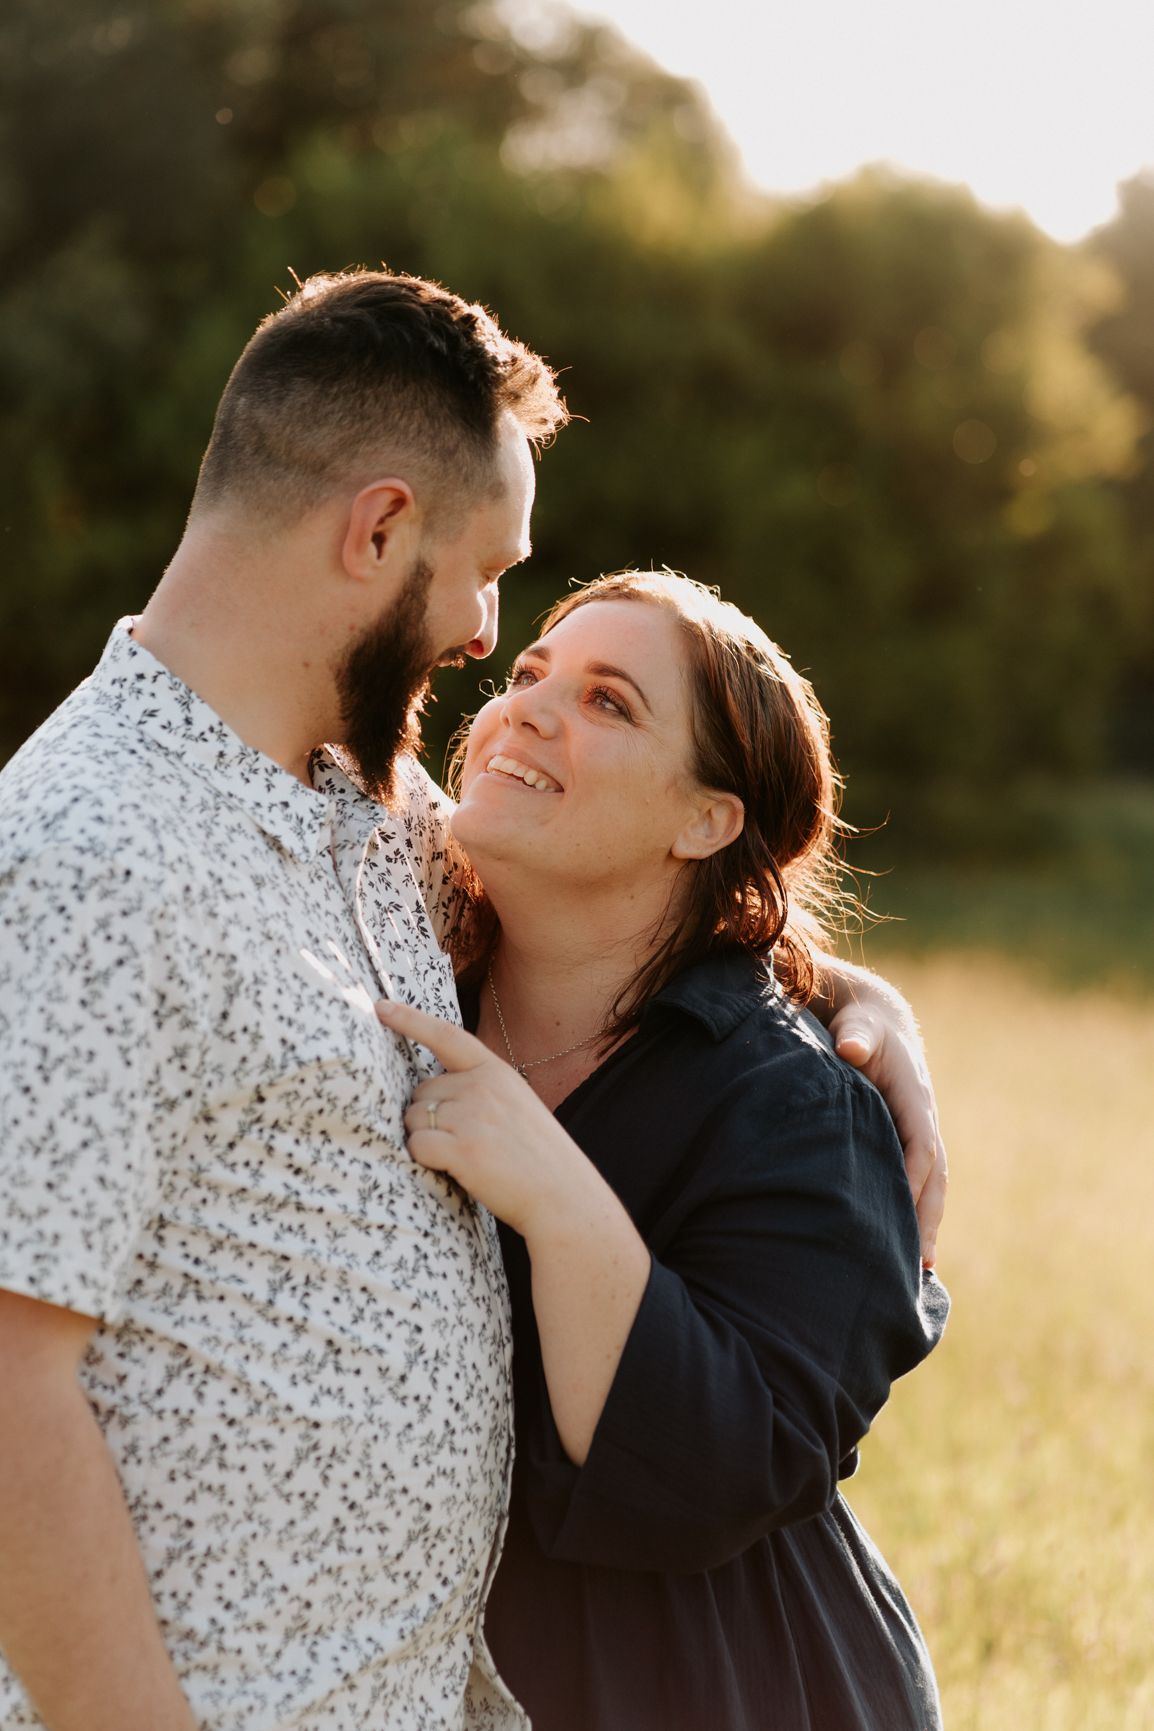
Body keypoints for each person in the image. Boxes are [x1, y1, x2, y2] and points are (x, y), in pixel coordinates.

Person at [0, 269, 941, 1731]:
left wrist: (859, 1005)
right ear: (378, 528)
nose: (485, 639)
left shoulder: (370, 811)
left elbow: (650, 902)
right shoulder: (87, 855)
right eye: (489, 574)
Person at [376, 570, 950, 1731]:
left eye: (609, 703)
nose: (525, 706)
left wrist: (553, 1195)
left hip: (720, 1687)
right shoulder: (398, 948)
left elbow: (706, 1475)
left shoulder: (798, 1107)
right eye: (530, 673)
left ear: (706, 821)